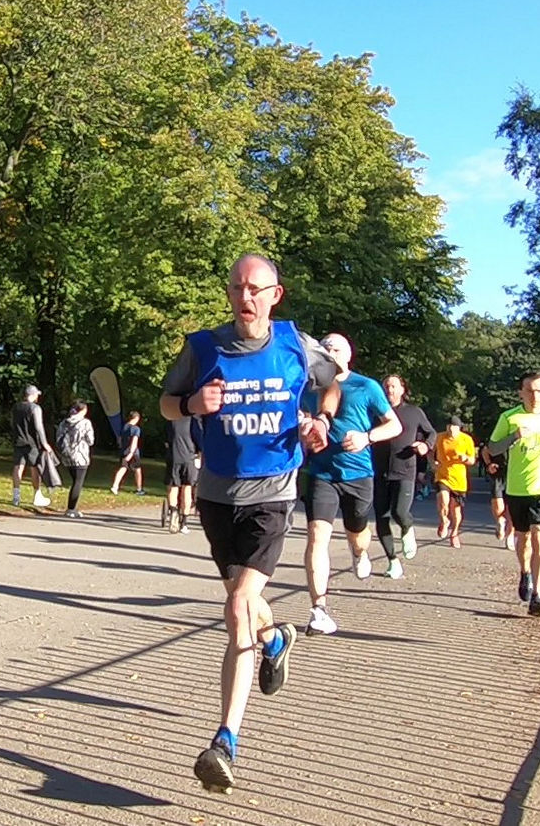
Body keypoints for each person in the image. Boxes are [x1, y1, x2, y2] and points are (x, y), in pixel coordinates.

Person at [160, 253, 339, 793]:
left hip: (273, 491)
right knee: (245, 598)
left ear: (274, 295)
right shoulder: (203, 347)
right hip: (217, 494)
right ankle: (276, 638)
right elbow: (166, 404)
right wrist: (191, 402)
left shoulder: (296, 345)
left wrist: (321, 420)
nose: (245, 298)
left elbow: (334, 384)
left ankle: (225, 740)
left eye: (256, 289)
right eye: (237, 287)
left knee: (236, 604)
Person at [302, 336, 402, 635]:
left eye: (336, 349)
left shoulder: (366, 386)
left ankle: (359, 552)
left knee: (357, 531)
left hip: (358, 473)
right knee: (317, 535)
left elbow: (394, 425)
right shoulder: (308, 388)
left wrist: (366, 437)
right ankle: (319, 609)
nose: (330, 352)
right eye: (325, 348)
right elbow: (300, 418)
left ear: (349, 356)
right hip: (321, 472)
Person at [488, 372, 540, 617]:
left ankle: (537, 594)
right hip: (517, 489)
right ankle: (524, 571)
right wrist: (514, 436)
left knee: (539, 538)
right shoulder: (509, 417)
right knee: (523, 539)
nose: (535, 396)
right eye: (530, 391)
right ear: (521, 393)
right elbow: (492, 448)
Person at [371, 374, 436, 579]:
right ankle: (393, 561)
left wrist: (426, 446)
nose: (389, 390)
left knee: (399, 512)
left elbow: (431, 433)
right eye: (386, 386)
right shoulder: (375, 412)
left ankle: (407, 528)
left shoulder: (413, 412)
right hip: (379, 471)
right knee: (381, 518)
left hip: (405, 469)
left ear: (402, 389)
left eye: (393, 386)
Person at [433, 415, 476, 548]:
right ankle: (444, 521)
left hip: (459, 479)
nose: (451, 429)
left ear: (459, 428)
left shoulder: (466, 439)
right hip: (442, 475)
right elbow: (431, 451)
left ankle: (454, 533)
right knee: (443, 499)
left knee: (456, 511)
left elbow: (472, 460)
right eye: (449, 426)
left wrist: (465, 458)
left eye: (454, 427)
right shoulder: (440, 437)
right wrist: (432, 463)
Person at [11, 384, 53, 508]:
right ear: (32, 395)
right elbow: (39, 427)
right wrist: (45, 443)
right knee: (34, 468)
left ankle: (16, 496)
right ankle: (37, 495)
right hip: (32, 443)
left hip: (18, 441)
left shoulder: (16, 407)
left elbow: (12, 424)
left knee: (18, 467)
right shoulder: (35, 408)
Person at [55, 400, 96, 517]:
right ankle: (71, 509)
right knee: (78, 482)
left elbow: (58, 437)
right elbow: (90, 441)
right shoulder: (85, 423)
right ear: (82, 411)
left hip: (66, 456)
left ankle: (72, 508)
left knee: (74, 481)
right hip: (80, 456)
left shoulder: (64, 422)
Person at [164, 416, 202, 534]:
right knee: (187, 488)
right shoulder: (194, 420)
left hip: (174, 456)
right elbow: (199, 441)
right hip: (189, 457)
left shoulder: (170, 419)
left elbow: (167, 439)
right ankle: (184, 523)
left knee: (173, 486)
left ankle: (173, 511)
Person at [480, 443, 515, 550]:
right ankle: (501, 522)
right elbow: (485, 450)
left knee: (512, 507)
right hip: (499, 471)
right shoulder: (499, 436)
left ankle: (508, 533)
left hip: (515, 474)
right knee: (500, 505)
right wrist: (489, 464)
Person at [109, 411, 145, 495]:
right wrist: (131, 453)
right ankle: (139, 489)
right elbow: (134, 442)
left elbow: (120, 440)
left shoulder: (124, 427)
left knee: (122, 468)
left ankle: (115, 486)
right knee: (137, 470)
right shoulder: (136, 429)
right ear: (136, 418)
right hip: (133, 453)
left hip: (124, 451)